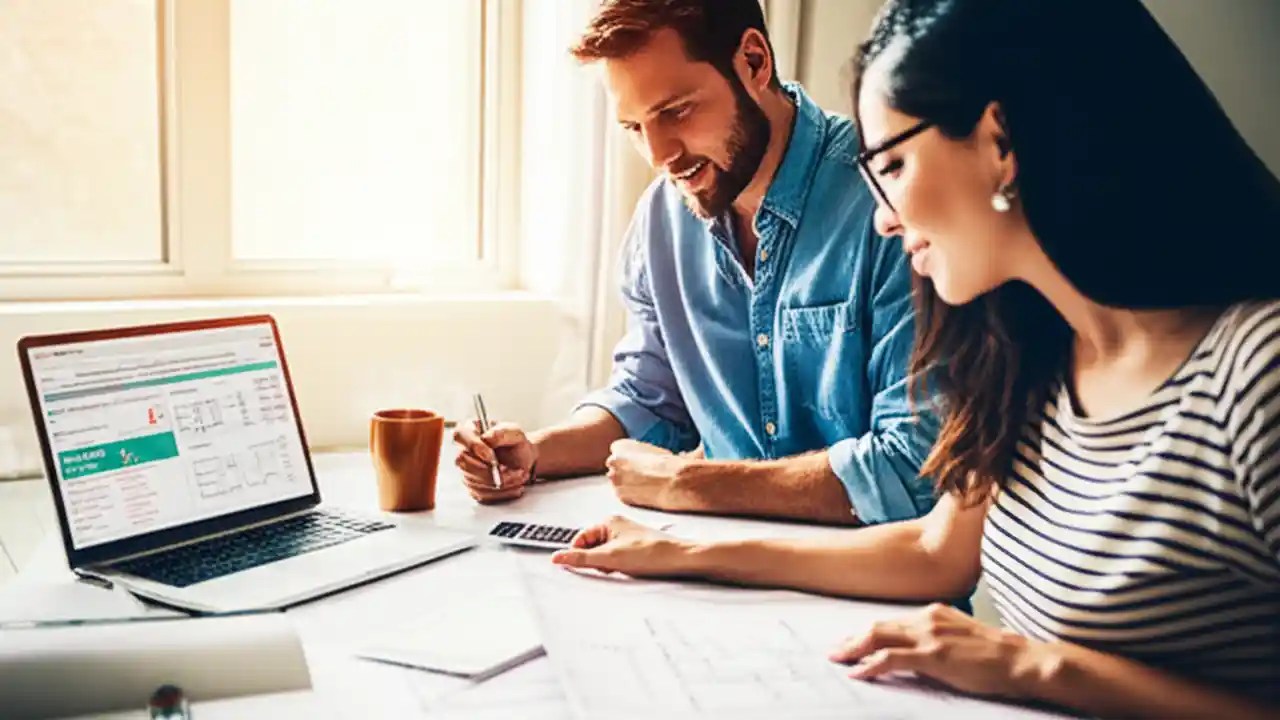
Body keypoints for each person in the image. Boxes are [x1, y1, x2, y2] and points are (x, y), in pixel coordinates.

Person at [549, 0, 1280, 716]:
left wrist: (1031, 664)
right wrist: (686, 553)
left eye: (892, 164)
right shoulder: (1028, 355)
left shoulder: (1257, 373)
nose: (882, 215)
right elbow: (936, 553)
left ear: (999, 142)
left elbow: (1010, 637)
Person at [453, 0, 938, 526]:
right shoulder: (661, 221)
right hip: (708, 575)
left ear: (753, 62)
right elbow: (648, 401)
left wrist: (688, 484)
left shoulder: (887, 203)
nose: (660, 156)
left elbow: (915, 469)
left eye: (676, 110)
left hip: (869, 592)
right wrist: (533, 453)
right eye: (635, 128)